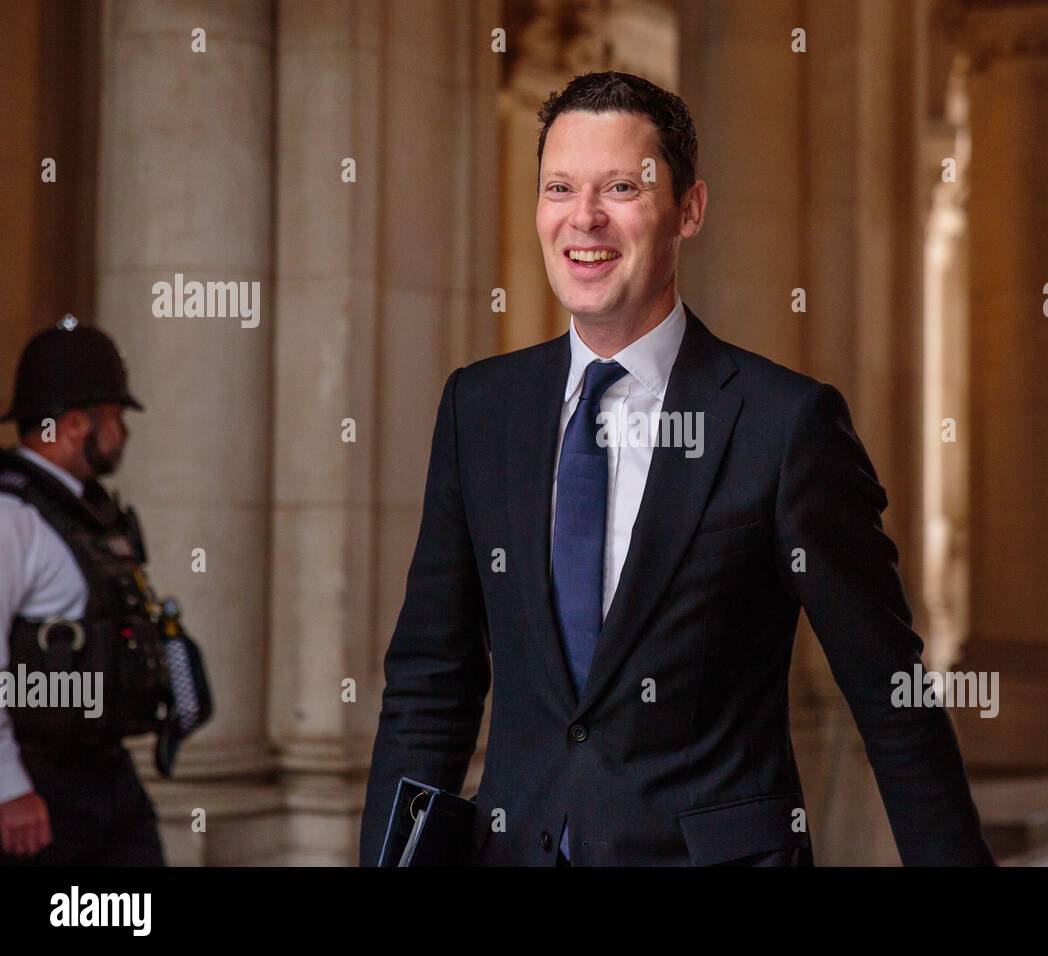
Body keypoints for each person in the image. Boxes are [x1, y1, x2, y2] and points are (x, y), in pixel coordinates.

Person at [360, 71, 995, 866]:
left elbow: (892, 699)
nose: (582, 218)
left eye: (621, 187)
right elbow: (430, 684)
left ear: (687, 209)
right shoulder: (479, 411)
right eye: (559, 187)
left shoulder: (783, 425)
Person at [0, 316, 167, 866]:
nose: (125, 433)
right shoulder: (10, 516)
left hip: (106, 773)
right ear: (75, 424)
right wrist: (8, 785)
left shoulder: (88, 509)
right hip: (39, 785)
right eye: (117, 418)